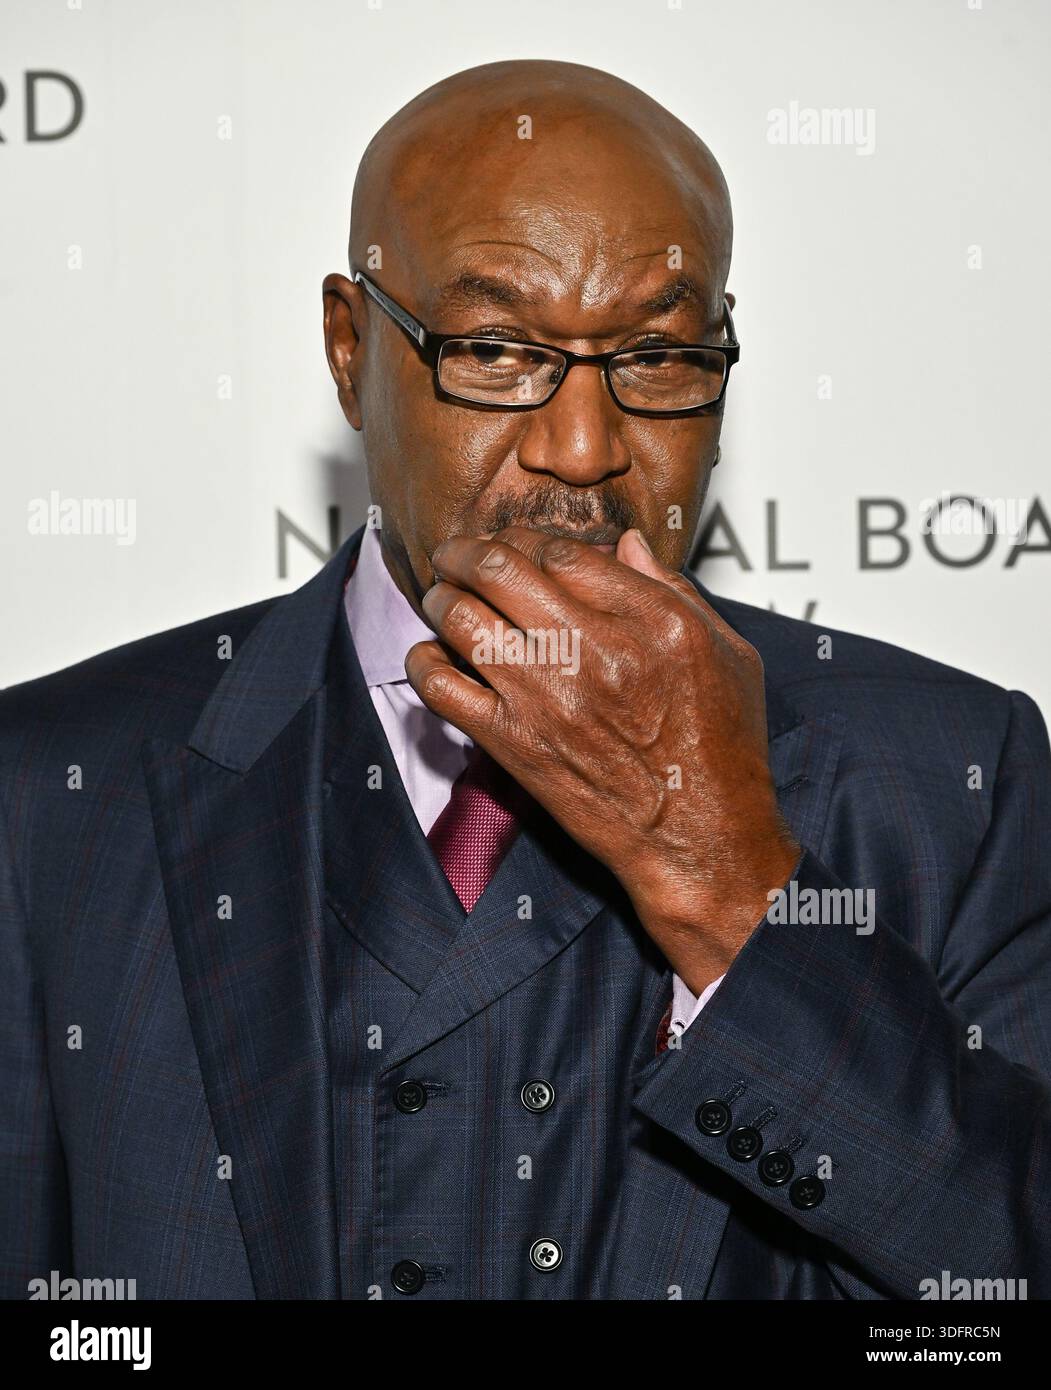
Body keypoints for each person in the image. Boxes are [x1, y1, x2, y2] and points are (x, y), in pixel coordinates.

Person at [2, 59, 1049, 1301]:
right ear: (350, 349)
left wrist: (731, 891)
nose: (584, 447)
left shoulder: (947, 785)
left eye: (659, 356)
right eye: (495, 348)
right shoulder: (55, 792)